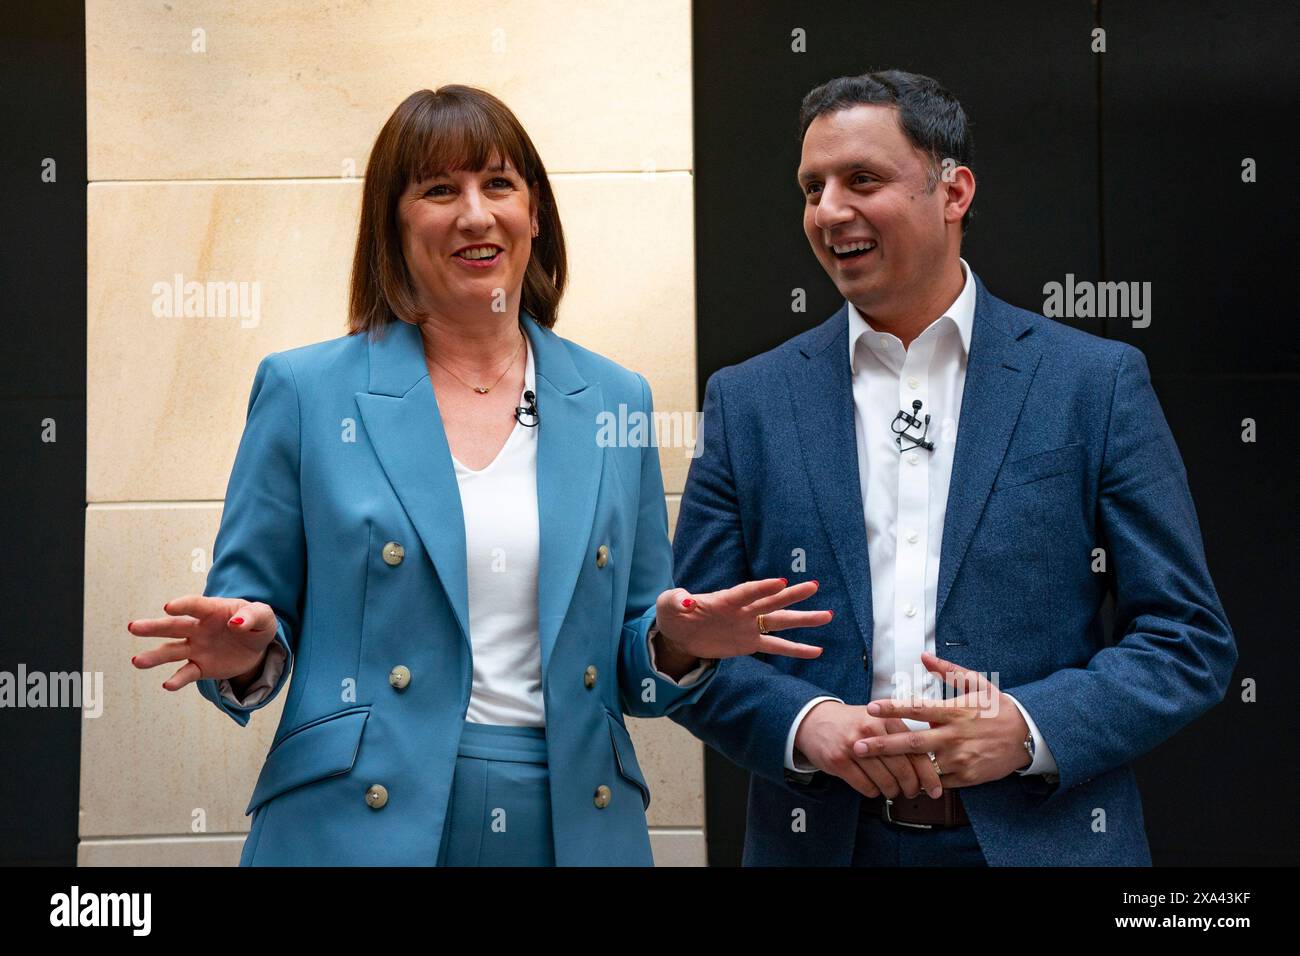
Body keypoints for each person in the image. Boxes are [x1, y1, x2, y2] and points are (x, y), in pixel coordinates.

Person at [126, 85, 829, 866]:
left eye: (498, 184)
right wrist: (244, 655)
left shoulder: (614, 397)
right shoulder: (305, 390)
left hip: (571, 817)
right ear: (392, 223)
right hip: (356, 821)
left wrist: (679, 642)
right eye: (438, 189)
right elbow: (247, 617)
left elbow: (634, 665)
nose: (474, 214)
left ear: (535, 213)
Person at [668, 69, 1237, 866]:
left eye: (861, 179)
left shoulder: (1092, 384)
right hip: (824, 846)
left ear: (954, 191)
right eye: (812, 187)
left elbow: (1188, 639)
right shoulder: (748, 400)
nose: (829, 211)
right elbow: (696, 651)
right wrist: (806, 724)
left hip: (1044, 843)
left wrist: (1029, 730)